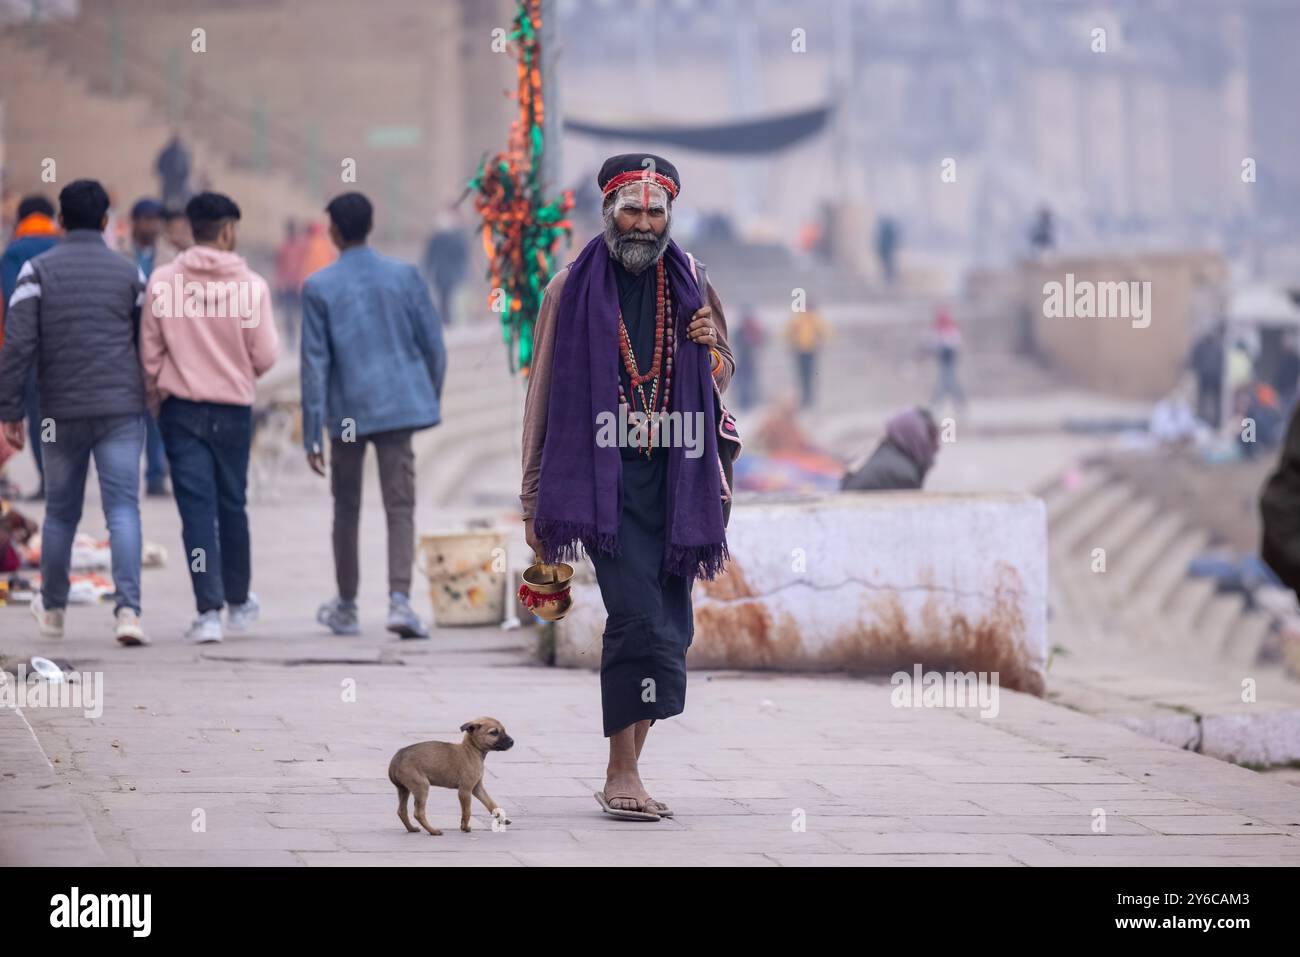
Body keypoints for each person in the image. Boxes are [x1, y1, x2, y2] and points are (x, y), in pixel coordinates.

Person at [521, 153, 734, 820]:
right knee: (636, 621)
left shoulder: (694, 280)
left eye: (655, 212)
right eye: (631, 210)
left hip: (676, 483)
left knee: (670, 634)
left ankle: (631, 767)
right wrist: (533, 495)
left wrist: (711, 347)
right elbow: (543, 398)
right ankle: (619, 773)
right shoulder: (569, 289)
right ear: (608, 212)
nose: (642, 223)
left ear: (669, 215)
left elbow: (722, 377)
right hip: (601, 489)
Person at [0, 179, 149, 645]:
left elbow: (18, 344)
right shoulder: (129, 275)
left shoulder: (36, 272)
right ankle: (128, 613)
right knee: (122, 508)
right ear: (106, 222)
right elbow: (148, 341)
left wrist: (10, 411)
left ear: (61, 221)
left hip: (58, 410)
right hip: (121, 408)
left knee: (62, 513)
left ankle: (56, 612)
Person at [301, 192, 445, 639]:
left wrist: (312, 431)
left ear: (335, 233)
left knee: (346, 507)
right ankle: (400, 602)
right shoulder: (404, 277)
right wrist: (426, 398)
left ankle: (346, 605)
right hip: (399, 407)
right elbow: (433, 347)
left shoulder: (319, 286)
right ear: (371, 225)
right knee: (400, 506)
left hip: (347, 414)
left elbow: (314, 365)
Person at [140, 191, 279, 643]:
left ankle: (207, 612)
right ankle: (238, 601)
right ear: (226, 231)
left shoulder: (162, 282)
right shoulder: (251, 286)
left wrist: (158, 399)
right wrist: (237, 371)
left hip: (180, 411)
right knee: (232, 505)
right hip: (233, 410)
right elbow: (266, 355)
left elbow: (149, 356)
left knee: (196, 513)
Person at [1, 194, 60, 500]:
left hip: (31, 350)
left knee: (40, 418)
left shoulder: (13, 253)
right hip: (68, 348)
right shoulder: (64, 247)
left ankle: (49, 481)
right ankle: (67, 478)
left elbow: (12, 301)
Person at [123, 197, 171, 497]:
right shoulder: (119, 254)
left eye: (156, 219)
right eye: (146, 219)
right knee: (128, 417)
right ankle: (126, 477)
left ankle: (156, 475)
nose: (151, 225)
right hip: (125, 344)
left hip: (161, 345)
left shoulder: (170, 258)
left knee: (157, 414)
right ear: (135, 222)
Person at [841, 407, 940, 491]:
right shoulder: (900, 476)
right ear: (916, 436)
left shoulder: (885, 456)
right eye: (931, 438)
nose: (937, 447)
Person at [422, 212, 469, 329]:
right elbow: (430, 255)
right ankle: (447, 320)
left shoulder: (454, 236)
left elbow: (462, 254)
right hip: (445, 272)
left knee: (448, 297)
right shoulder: (443, 236)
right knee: (445, 296)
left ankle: (448, 320)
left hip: (449, 272)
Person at [785, 302, 830, 409]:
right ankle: (807, 399)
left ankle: (808, 399)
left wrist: (820, 341)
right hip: (802, 351)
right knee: (805, 376)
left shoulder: (806, 319)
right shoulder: (804, 320)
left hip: (809, 351)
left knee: (806, 376)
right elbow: (788, 332)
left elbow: (825, 332)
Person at [273, 219, 307, 348]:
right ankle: (292, 341)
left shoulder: (301, 247)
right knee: (289, 315)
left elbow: (304, 265)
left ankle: (301, 339)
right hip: (287, 285)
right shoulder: (283, 247)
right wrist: (280, 283)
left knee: (300, 314)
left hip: (299, 285)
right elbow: (279, 267)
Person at [931, 303, 966, 413]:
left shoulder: (951, 331)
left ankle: (959, 406)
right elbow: (933, 344)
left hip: (949, 360)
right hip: (943, 361)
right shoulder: (938, 331)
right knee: (943, 383)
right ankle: (937, 406)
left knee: (950, 383)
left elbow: (956, 345)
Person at [1190, 322, 1225, 428]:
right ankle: (1201, 421)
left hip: (1215, 378)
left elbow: (1222, 361)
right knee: (1203, 401)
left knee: (1216, 401)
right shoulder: (1200, 345)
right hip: (1204, 377)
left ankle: (1216, 423)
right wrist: (1199, 370)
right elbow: (1195, 359)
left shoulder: (1218, 346)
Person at [733, 305, 764, 410]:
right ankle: (746, 402)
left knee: (747, 381)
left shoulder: (747, 329)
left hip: (748, 359)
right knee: (746, 381)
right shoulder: (743, 330)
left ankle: (747, 402)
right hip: (745, 360)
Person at [155, 133, 191, 210]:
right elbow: (159, 165)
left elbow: (187, 166)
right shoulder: (166, 153)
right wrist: (164, 175)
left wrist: (184, 176)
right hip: (169, 180)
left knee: (181, 198)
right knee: (166, 198)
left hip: (180, 181)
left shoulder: (183, 153)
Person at [1273, 333, 1300, 414]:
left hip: (1291, 389)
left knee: (1289, 409)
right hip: (1283, 389)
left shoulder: (1295, 359)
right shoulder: (1282, 357)